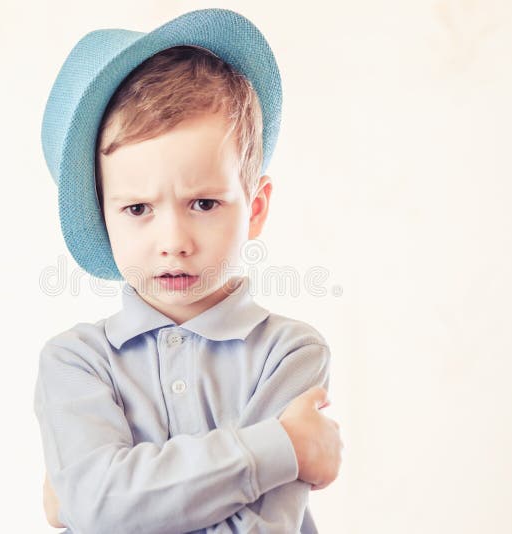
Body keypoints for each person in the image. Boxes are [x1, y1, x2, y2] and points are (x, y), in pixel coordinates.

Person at [33, 8, 343, 533]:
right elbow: (97, 504)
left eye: (204, 204)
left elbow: (258, 529)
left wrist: (106, 500)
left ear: (256, 207)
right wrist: (281, 446)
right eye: (138, 210)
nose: (173, 243)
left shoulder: (289, 354)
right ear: (103, 215)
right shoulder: (77, 362)